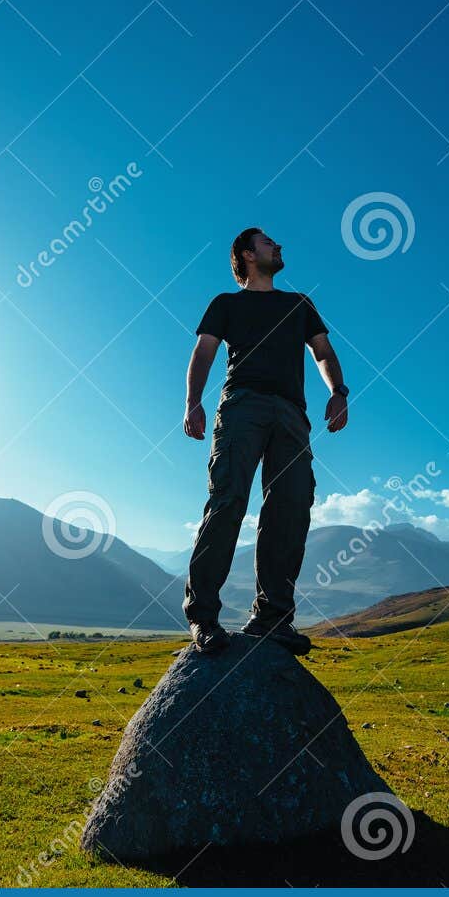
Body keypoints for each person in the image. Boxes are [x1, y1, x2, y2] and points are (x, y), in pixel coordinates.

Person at [181, 228, 348, 655]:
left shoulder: (299, 304)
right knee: (228, 500)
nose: (279, 245)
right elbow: (203, 353)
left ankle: (272, 619)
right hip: (242, 406)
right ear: (247, 254)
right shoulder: (226, 304)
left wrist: (338, 392)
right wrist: (193, 403)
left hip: (293, 415)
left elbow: (323, 353)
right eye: (269, 242)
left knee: (290, 508)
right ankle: (203, 617)